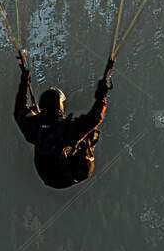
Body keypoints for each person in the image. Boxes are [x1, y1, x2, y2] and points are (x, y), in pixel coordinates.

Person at [13, 49, 113, 189]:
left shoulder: (34, 128)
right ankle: (82, 152)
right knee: (89, 135)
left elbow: (20, 111)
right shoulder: (67, 130)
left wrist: (25, 84)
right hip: (69, 175)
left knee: (83, 134)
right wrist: (101, 96)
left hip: (47, 176)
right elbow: (95, 118)